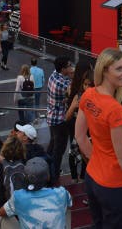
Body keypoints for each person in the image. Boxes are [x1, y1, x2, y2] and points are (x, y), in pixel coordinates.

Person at [75, 48, 122, 227]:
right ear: (104, 70)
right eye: (119, 69)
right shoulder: (115, 109)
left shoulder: (89, 94)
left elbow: (80, 137)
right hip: (114, 184)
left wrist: (97, 159)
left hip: (92, 177)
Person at [0, 157, 72, 229]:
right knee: (65, 207)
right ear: (48, 176)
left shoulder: (18, 196)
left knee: (4, 217)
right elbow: (69, 204)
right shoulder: (61, 192)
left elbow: (1, 212)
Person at [46, 56, 74, 185]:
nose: (71, 67)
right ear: (63, 69)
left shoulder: (54, 75)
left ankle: (47, 169)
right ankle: (54, 176)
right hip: (60, 120)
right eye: (69, 66)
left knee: (52, 147)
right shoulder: (62, 84)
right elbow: (73, 91)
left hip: (52, 117)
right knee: (59, 150)